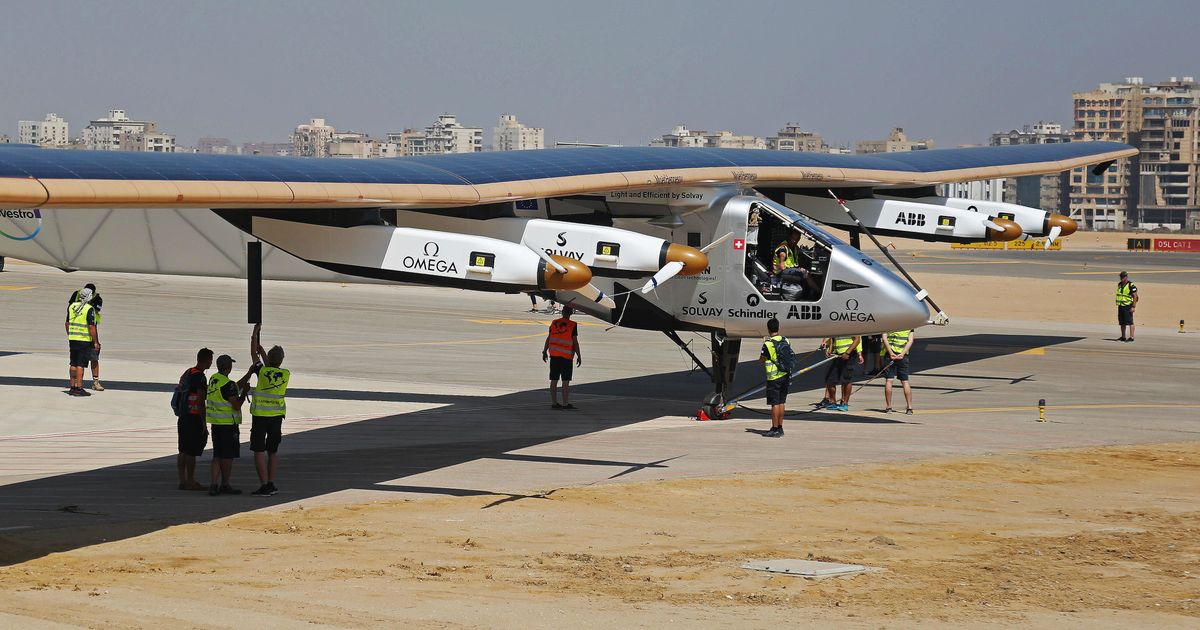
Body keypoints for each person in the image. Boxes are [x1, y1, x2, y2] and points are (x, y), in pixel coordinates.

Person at [247, 323, 290, 497]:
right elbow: (271, 368)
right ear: (281, 360)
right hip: (276, 417)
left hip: (260, 417)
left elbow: (253, 356)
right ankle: (271, 483)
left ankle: (263, 484)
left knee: (258, 451)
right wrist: (263, 352)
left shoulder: (262, 372)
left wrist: (254, 334)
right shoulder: (286, 374)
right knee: (273, 452)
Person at [206, 354, 253, 496]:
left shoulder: (215, 379)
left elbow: (233, 387)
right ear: (229, 367)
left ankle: (213, 484)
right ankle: (225, 484)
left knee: (217, 455)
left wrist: (249, 373)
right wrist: (244, 393)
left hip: (216, 423)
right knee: (227, 456)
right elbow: (236, 405)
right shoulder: (228, 384)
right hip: (228, 425)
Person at [177, 348, 212, 490]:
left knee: (182, 450)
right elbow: (200, 400)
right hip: (194, 416)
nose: (211, 362)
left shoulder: (188, 372)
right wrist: (203, 421)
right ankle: (190, 480)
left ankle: (182, 480)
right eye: (210, 359)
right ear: (206, 360)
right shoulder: (200, 377)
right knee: (191, 451)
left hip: (183, 415)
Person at [542, 306, 582, 409]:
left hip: (554, 355)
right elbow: (575, 342)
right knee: (565, 381)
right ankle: (565, 403)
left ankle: (554, 403)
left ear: (562, 312)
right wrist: (579, 355)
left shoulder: (554, 323)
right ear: (571, 313)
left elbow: (549, 338)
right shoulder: (573, 325)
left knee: (554, 380)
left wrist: (544, 351)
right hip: (566, 357)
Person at [758, 317, 792, 437]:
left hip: (774, 377)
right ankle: (781, 427)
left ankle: (774, 428)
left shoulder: (767, 344)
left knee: (774, 403)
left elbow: (761, 360)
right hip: (785, 374)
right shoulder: (785, 340)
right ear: (778, 328)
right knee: (782, 402)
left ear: (768, 329)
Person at [68, 284, 105, 391]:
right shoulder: (77, 296)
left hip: (79, 334)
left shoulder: (97, 299)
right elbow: (91, 324)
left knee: (76, 362)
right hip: (85, 336)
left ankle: (75, 385)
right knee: (81, 363)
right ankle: (79, 386)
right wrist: (96, 341)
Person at [822, 335, 862, 412]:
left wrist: (847, 352)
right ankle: (832, 402)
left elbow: (857, 339)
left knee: (846, 379)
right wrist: (830, 350)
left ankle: (845, 403)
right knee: (830, 378)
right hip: (837, 354)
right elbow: (832, 338)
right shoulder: (836, 326)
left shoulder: (849, 324)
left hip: (848, 355)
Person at [882, 329, 915, 414]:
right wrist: (902, 353)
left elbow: (884, 338)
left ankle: (889, 407)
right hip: (903, 356)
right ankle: (909, 407)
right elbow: (910, 341)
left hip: (890, 355)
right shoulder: (909, 325)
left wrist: (890, 352)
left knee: (889, 381)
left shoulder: (889, 323)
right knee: (905, 381)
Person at [1116, 271, 1138, 342]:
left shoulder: (1131, 285)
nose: (1121, 278)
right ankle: (1123, 337)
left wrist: (1133, 306)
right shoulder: (1119, 284)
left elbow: (1135, 296)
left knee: (1130, 322)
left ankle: (1131, 337)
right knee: (1122, 322)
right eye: (1120, 277)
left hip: (1128, 306)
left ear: (1126, 277)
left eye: (1122, 277)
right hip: (1121, 305)